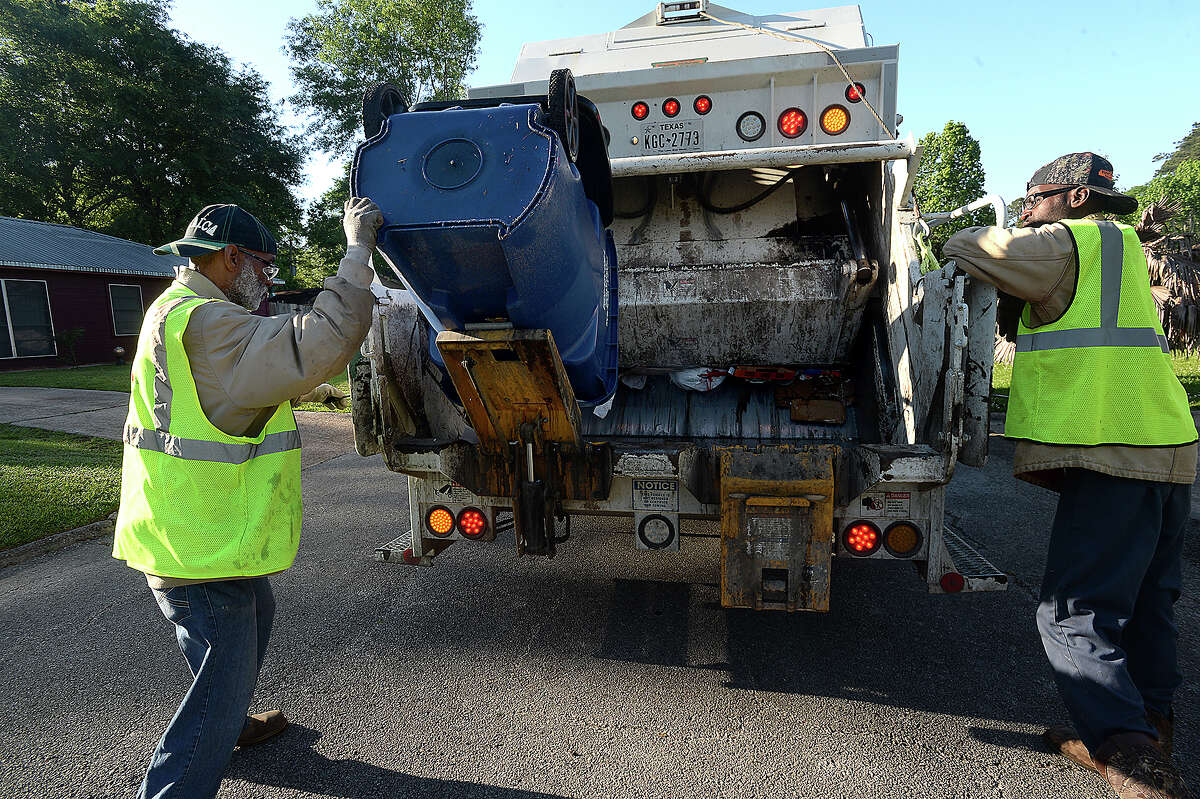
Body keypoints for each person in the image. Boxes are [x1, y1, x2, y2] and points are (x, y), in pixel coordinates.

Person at [113, 198, 383, 799]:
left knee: (254, 616)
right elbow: (318, 346)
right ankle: (186, 772)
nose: (268, 284)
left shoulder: (177, 309)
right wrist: (358, 249)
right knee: (222, 672)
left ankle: (231, 723)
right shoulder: (210, 324)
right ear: (232, 257)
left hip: (185, 531)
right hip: (202, 546)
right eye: (265, 268)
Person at [944, 153, 1193, 799]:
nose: (1028, 212)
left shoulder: (1066, 242)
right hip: (1168, 445)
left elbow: (965, 243)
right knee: (1143, 604)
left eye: (1035, 199)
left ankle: (1136, 762)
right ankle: (1146, 730)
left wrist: (1008, 230)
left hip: (1112, 445)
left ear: (1077, 197)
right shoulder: (1129, 249)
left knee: (1071, 614)